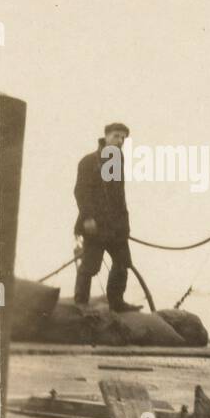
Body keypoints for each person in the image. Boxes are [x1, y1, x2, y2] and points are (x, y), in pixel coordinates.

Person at [73, 122, 140, 312]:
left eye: (123, 138)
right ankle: (81, 303)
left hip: (116, 228)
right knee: (90, 266)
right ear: (106, 136)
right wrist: (87, 218)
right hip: (95, 226)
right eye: (116, 136)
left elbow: (119, 198)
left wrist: (125, 226)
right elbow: (80, 191)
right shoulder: (88, 162)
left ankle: (117, 303)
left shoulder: (118, 162)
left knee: (122, 263)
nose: (120, 141)